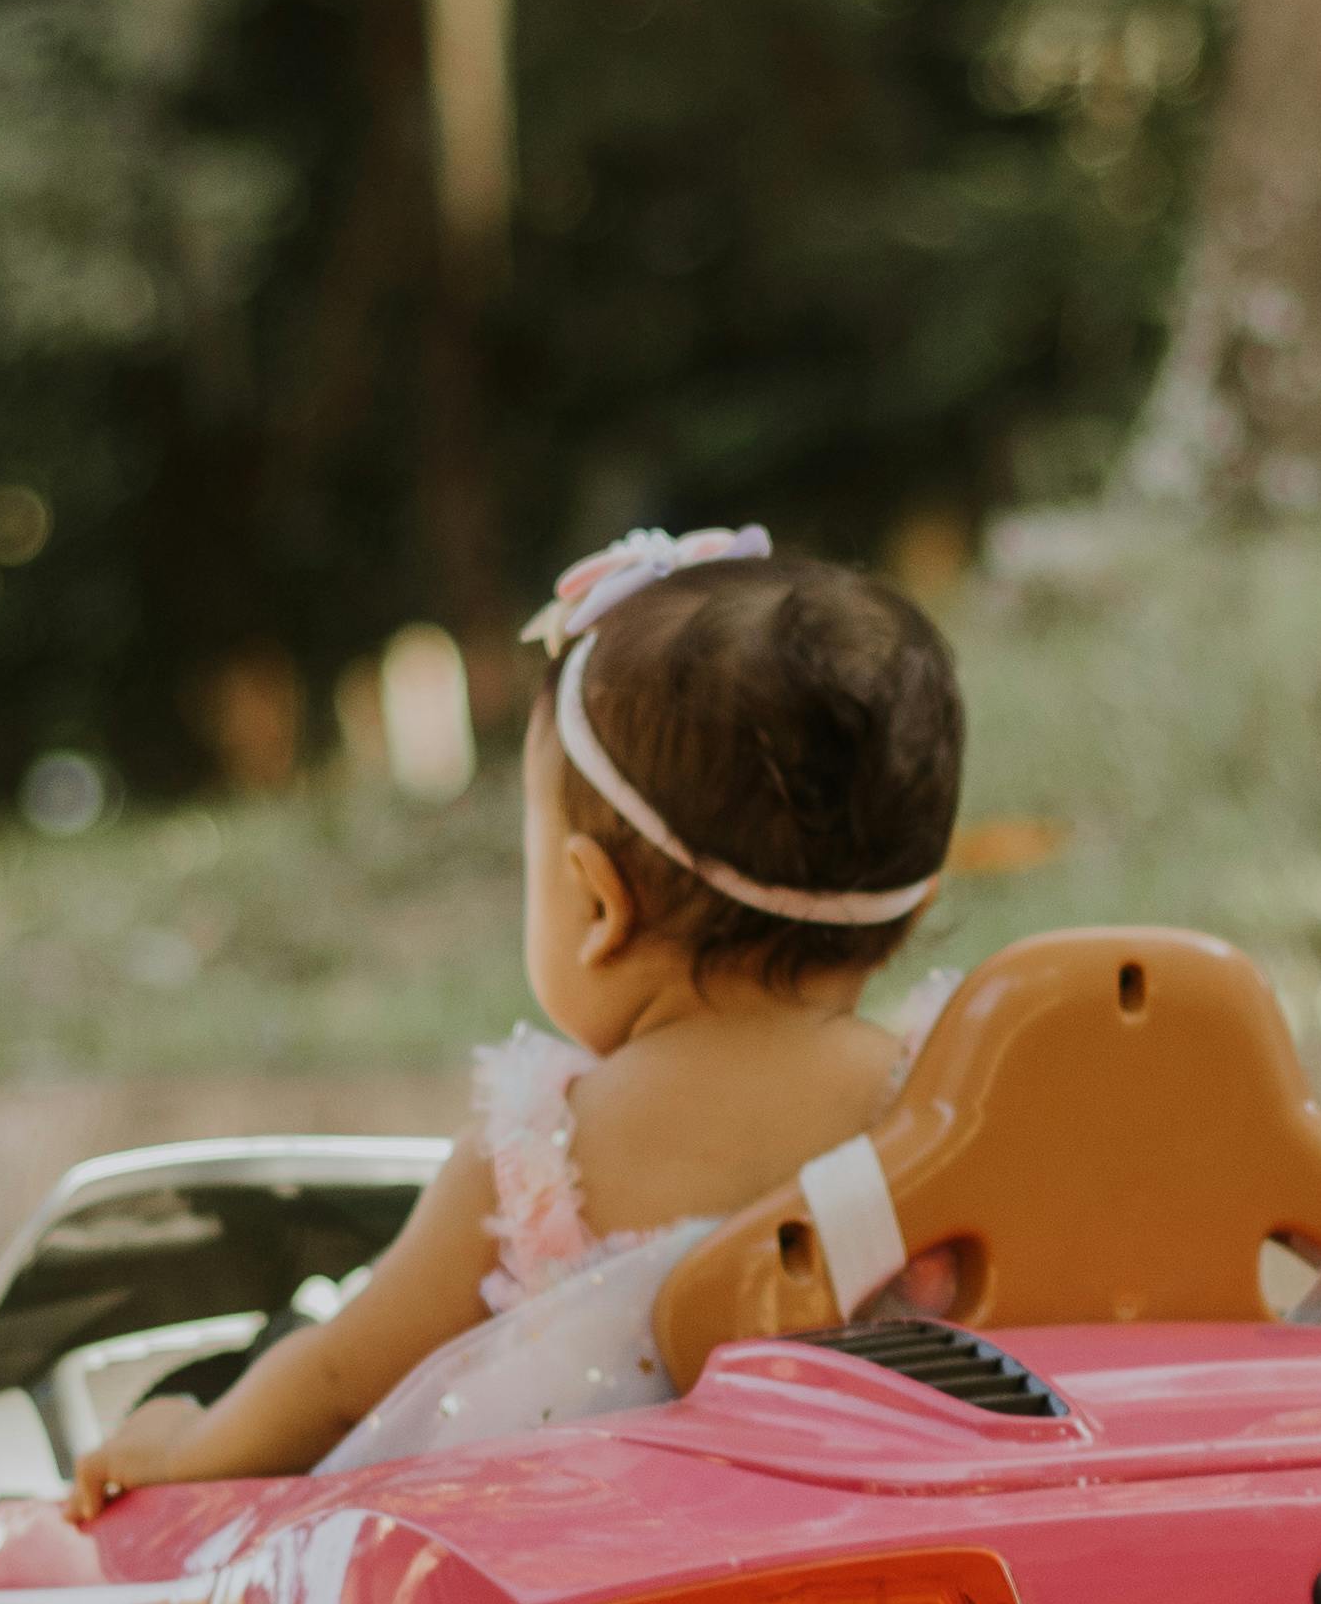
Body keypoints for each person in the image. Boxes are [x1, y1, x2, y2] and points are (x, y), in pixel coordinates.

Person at [67, 529, 962, 1505]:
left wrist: (182, 1448)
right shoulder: (945, 1101)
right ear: (911, 903)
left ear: (596, 902)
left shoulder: (539, 1158)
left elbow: (335, 1386)